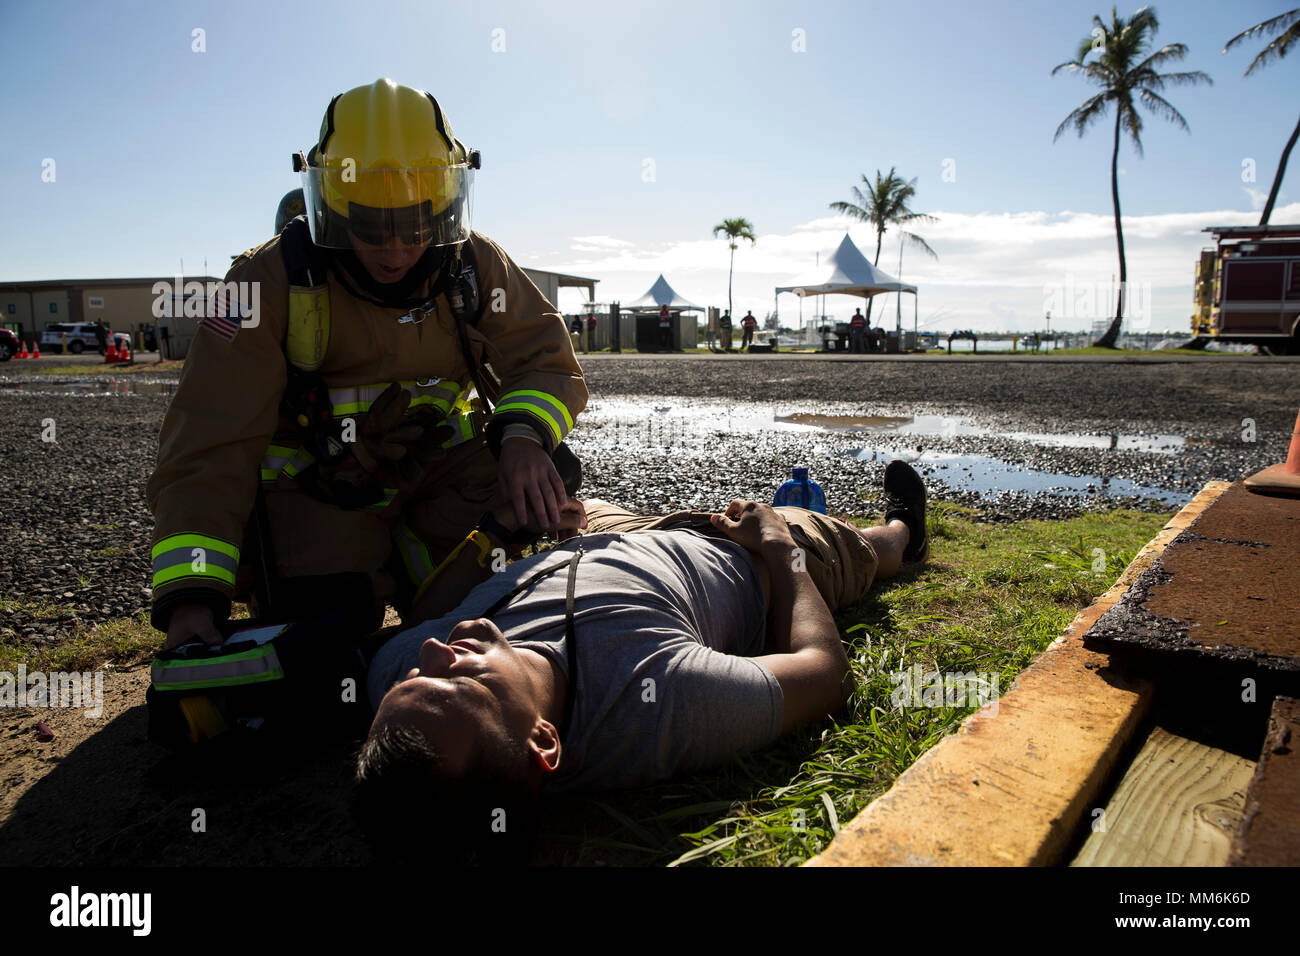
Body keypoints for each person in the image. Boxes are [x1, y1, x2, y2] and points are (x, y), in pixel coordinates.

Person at [147, 79, 588, 651]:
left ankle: (430, 576)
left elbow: (546, 359)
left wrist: (525, 436)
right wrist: (190, 600)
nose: (395, 250)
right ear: (327, 201)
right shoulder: (264, 282)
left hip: (443, 482)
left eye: (414, 224)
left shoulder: (475, 264)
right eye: (370, 225)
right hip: (322, 493)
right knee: (329, 630)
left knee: (546, 479)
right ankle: (368, 588)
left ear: (447, 200)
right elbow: (209, 439)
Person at [355, 460, 929, 861]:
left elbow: (425, 616)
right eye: (461, 684)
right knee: (848, 545)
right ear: (544, 741)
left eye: (414, 674)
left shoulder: (408, 692)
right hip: (743, 560)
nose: (434, 652)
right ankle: (905, 529)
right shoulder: (653, 698)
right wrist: (779, 543)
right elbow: (823, 674)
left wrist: (503, 528)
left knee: (590, 501)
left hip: (602, 538)